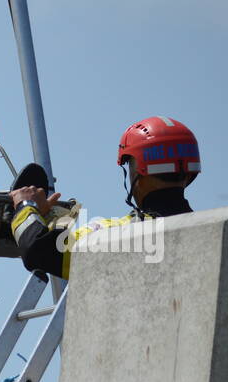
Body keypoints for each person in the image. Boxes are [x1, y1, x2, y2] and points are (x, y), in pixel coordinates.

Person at [10, 116, 199, 279]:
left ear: (138, 170)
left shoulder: (119, 235)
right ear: (189, 174)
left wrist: (26, 206)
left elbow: (39, 250)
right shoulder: (207, 232)